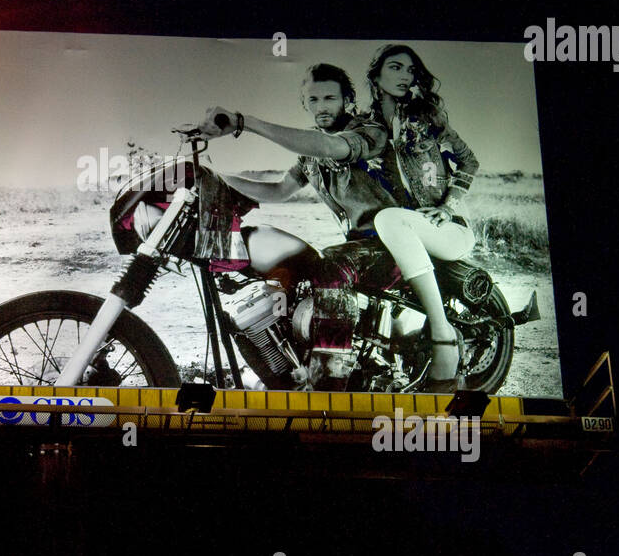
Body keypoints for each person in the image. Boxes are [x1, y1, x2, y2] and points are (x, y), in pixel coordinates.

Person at [195, 63, 394, 286]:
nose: (322, 107)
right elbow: (279, 191)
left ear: (347, 101)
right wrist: (214, 176)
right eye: (313, 100)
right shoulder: (311, 152)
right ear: (304, 104)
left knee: (330, 266)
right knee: (284, 266)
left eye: (330, 98)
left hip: (395, 245)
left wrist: (244, 123)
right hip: (357, 245)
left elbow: (329, 147)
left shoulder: (370, 131)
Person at [363, 44, 479, 386]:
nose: (405, 76)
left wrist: (448, 206)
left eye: (410, 70)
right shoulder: (367, 127)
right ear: (376, 75)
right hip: (408, 232)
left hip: (447, 230)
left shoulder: (428, 118)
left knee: (388, 219)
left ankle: (443, 335)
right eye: (396, 67)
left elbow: (470, 160)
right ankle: (395, 368)